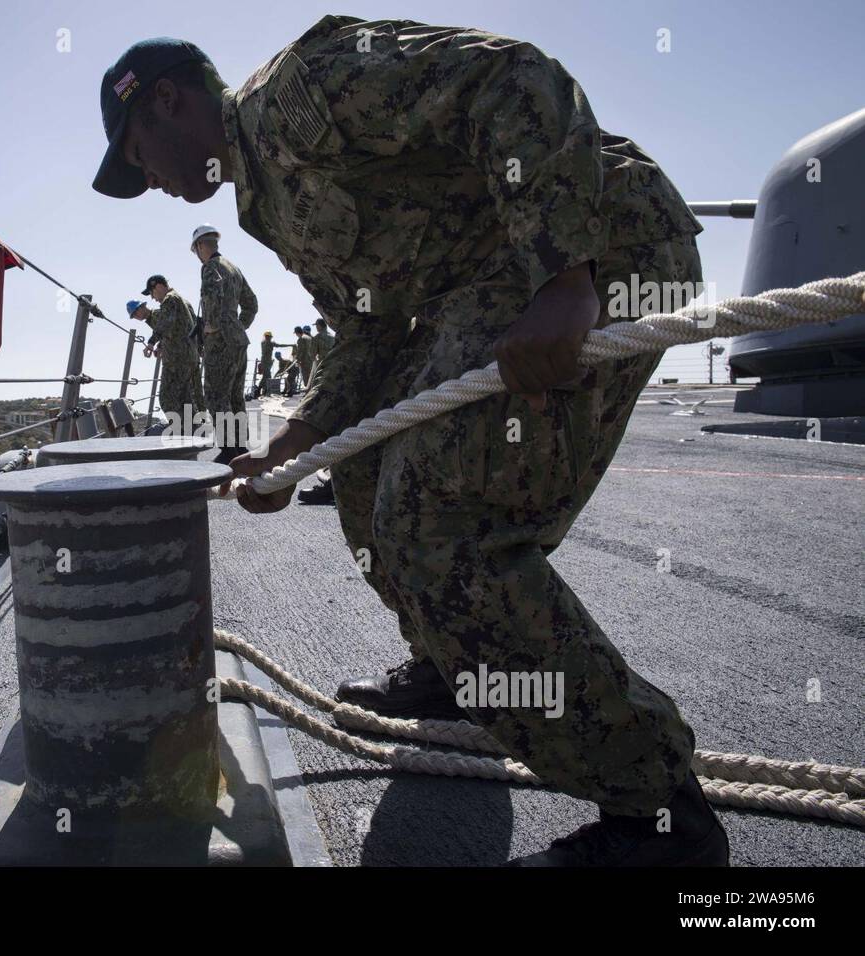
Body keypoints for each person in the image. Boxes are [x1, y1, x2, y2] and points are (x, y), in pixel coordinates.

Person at [91, 18, 723, 867]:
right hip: (490, 286)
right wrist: (300, 443)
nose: (151, 184)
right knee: (358, 471)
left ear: (167, 100)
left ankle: (656, 813)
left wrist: (561, 271)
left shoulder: (298, 94)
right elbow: (369, 325)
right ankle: (455, 664)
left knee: (435, 521)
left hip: (600, 243)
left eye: (138, 156)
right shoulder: (266, 205)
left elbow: (514, 82)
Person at [190, 224, 257, 463]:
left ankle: (229, 450)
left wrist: (215, 325)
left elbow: (211, 296)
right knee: (235, 397)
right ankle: (241, 448)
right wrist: (238, 326)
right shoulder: (234, 268)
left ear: (200, 246)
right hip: (238, 341)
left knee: (216, 396)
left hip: (220, 343)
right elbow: (251, 303)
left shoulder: (210, 267)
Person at [130, 278, 205, 432]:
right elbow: (182, 327)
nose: (152, 297)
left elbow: (165, 323)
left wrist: (151, 343)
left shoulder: (169, 300)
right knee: (185, 397)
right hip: (189, 355)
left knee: (166, 398)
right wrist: (163, 345)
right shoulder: (181, 300)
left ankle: (180, 430)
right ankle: (193, 429)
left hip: (177, 358)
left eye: (151, 292)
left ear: (158, 286)